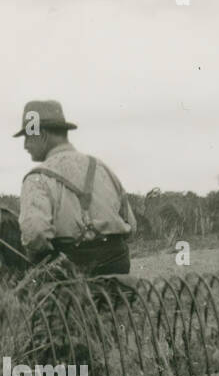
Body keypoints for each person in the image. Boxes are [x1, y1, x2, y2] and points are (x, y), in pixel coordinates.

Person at [14, 100, 135, 277]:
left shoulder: (37, 178)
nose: (25, 146)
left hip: (71, 276)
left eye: (28, 137)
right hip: (118, 267)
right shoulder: (102, 168)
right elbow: (131, 225)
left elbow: (35, 234)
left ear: (43, 135)